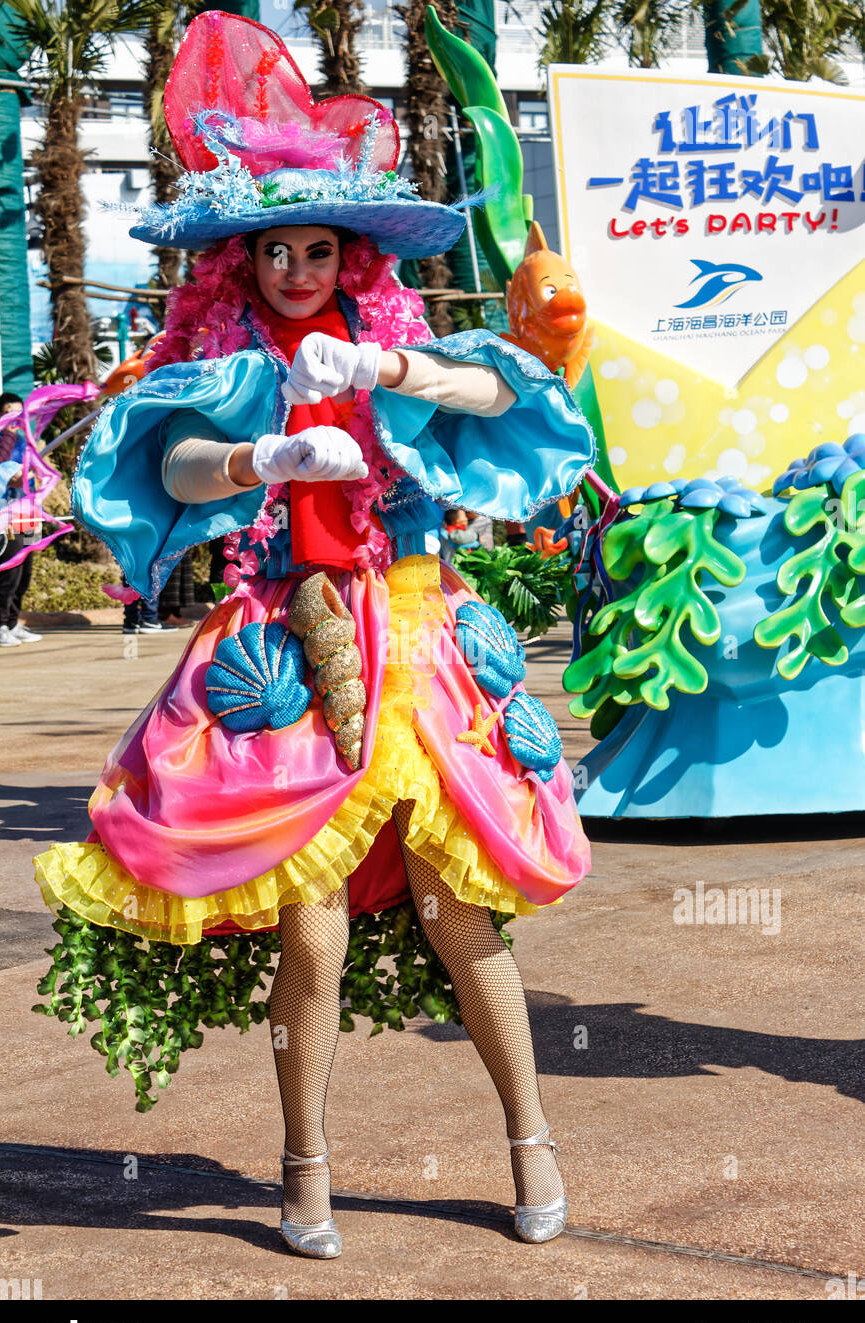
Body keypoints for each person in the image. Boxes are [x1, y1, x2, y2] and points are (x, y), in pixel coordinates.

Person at [32, 12, 594, 1259]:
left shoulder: (389, 338)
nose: (297, 266)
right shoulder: (213, 353)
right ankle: (306, 1166)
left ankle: (530, 1136)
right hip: (282, 641)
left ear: (350, 253)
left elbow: (508, 388)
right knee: (313, 924)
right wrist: (261, 450)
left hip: (420, 625)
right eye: (277, 248)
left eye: (319, 246)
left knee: (459, 904)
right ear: (246, 257)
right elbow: (163, 462)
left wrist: (396, 380)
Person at [0, 392, 42, 647]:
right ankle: (1, 624)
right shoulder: (3, 439)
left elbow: (32, 477)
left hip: (27, 511)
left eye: (18, 411)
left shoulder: (24, 442)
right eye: (8, 412)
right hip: (6, 515)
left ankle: (13, 622)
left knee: (24, 571)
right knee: (9, 571)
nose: (15, 417)